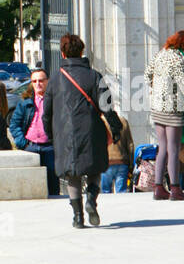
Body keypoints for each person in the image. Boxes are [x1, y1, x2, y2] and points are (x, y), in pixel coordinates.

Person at [42, 34, 121, 228]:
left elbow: (47, 112)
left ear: (62, 53)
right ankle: (91, 200)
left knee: (72, 174)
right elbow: (107, 107)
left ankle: (78, 217)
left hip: (64, 133)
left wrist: (51, 134)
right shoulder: (94, 76)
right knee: (94, 169)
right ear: (82, 52)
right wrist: (116, 128)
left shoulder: (55, 80)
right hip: (91, 130)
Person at [146, 30, 184, 202]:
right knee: (173, 149)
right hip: (173, 108)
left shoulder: (160, 54)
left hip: (157, 108)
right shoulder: (179, 58)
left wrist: (158, 89)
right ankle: (175, 189)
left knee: (162, 148)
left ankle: (158, 187)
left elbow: (147, 75)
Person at [10, 68, 60, 195]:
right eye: (34, 81)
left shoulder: (56, 100)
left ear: (48, 81)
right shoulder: (25, 102)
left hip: (50, 148)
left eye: (41, 80)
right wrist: (23, 143)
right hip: (30, 147)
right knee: (29, 185)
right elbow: (14, 124)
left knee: (53, 184)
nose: (38, 83)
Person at [100, 112, 135, 193]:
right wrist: (131, 163)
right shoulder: (123, 121)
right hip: (122, 161)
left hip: (106, 162)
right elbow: (130, 145)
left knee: (105, 192)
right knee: (121, 192)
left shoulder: (100, 122)